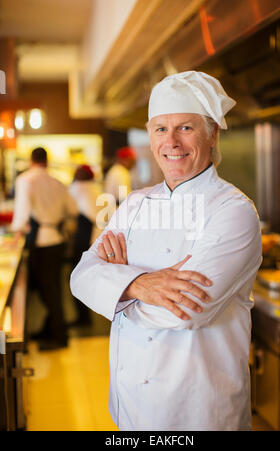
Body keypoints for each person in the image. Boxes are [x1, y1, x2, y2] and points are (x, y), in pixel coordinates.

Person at [70, 71, 262, 431]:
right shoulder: (137, 203)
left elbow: (184, 312)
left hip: (195, 411)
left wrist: (115, 288)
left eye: (185, 128)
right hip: (127, 406)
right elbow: (81, 276)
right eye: (160, 129)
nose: (171, 141)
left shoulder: (233, 210)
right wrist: (140, 285)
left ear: (212, 134)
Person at [11, 147, 78, 350]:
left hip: (40, 241)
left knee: (48, 290)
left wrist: (17, 231)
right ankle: (51, 329)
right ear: (46, 161)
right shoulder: (58, 182)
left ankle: (59, 336)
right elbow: (72, 210)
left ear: (31, 159)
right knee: (52, 288)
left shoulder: (25, 180)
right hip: (56, 239)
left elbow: (21, 212)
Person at [68, 164, 102, 325]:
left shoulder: (76, 188)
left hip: (83, 237)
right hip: (97, 237)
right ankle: (87, 315)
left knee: (78, 275)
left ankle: (83, 317)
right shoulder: (96, 189)